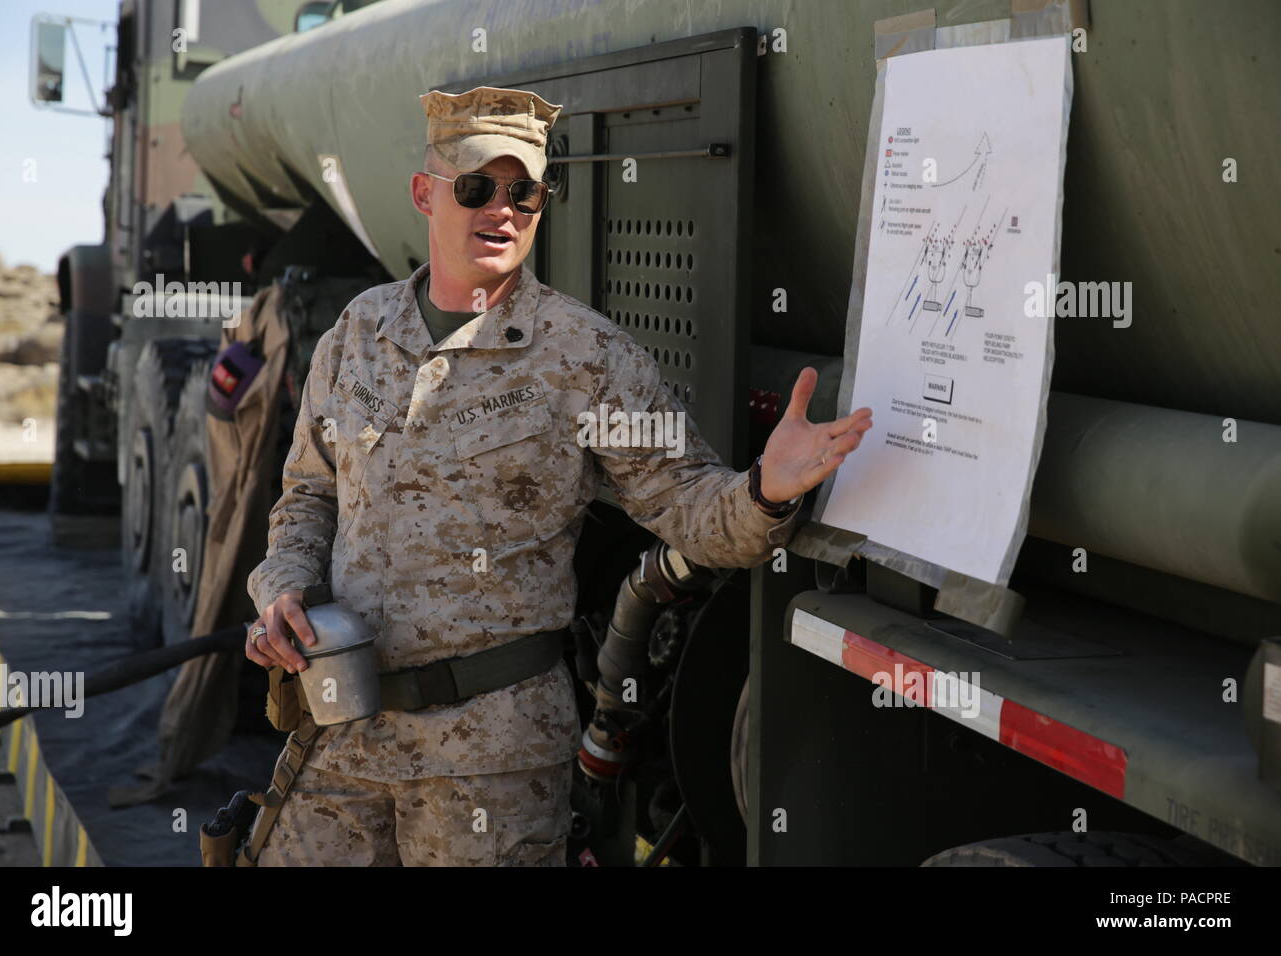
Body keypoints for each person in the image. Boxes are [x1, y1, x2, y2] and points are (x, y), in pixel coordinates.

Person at [243, 86, 872, 866]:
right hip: (341, 730)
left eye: (525, 193)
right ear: (425, 193)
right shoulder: (358, 333)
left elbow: (689, 507)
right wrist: (283, 593)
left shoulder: (586, 356)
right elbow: (309, 493)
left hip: (491, 763)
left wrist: (766, 490)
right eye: (477, 187)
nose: (502, 210)